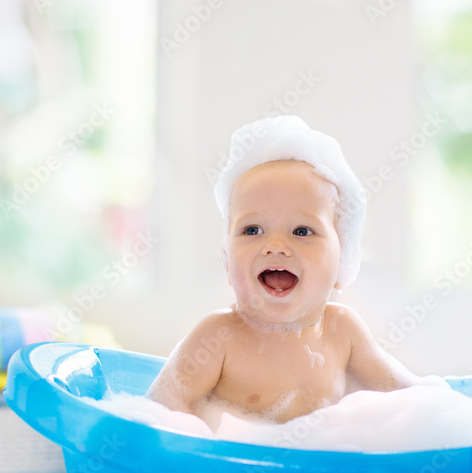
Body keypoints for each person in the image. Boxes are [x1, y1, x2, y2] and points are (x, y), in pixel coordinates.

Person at [147, 115, 446, 431]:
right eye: (252, 229)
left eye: (302, 231)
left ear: (342, 259)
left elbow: (408, 397)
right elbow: (160, 414)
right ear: (226, 260)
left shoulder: (343, 332)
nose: (275, 245)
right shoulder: (218, 337)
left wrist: (448, 410)